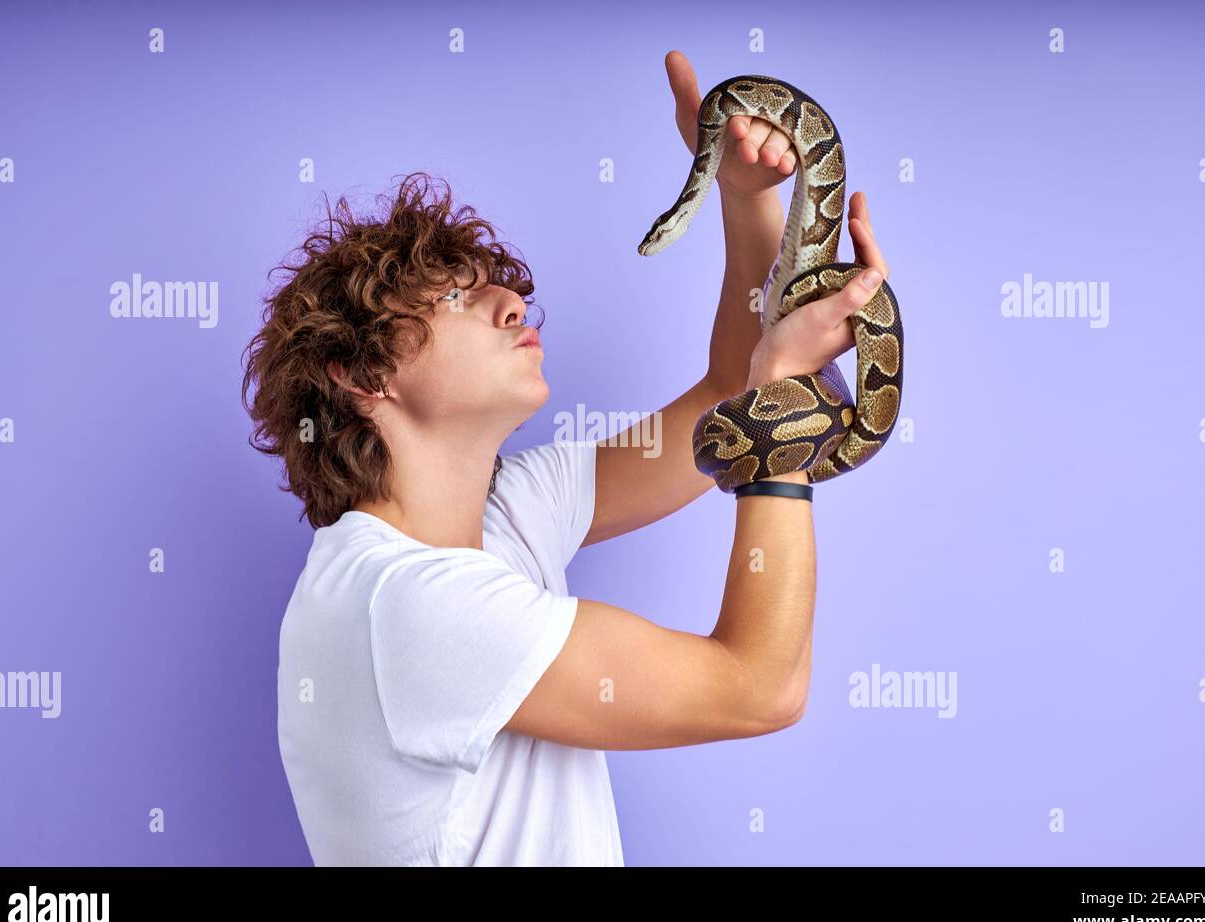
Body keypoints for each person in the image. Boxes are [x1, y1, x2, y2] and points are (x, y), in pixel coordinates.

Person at [241, 50, 890, 866]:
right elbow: (760, 688)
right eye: (454, 297)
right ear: (362, 375)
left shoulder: (503, 515)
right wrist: (783, 406)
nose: (512, 303)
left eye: (497, 286)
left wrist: (747, 198)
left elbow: (732, 385)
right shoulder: (402, 606)